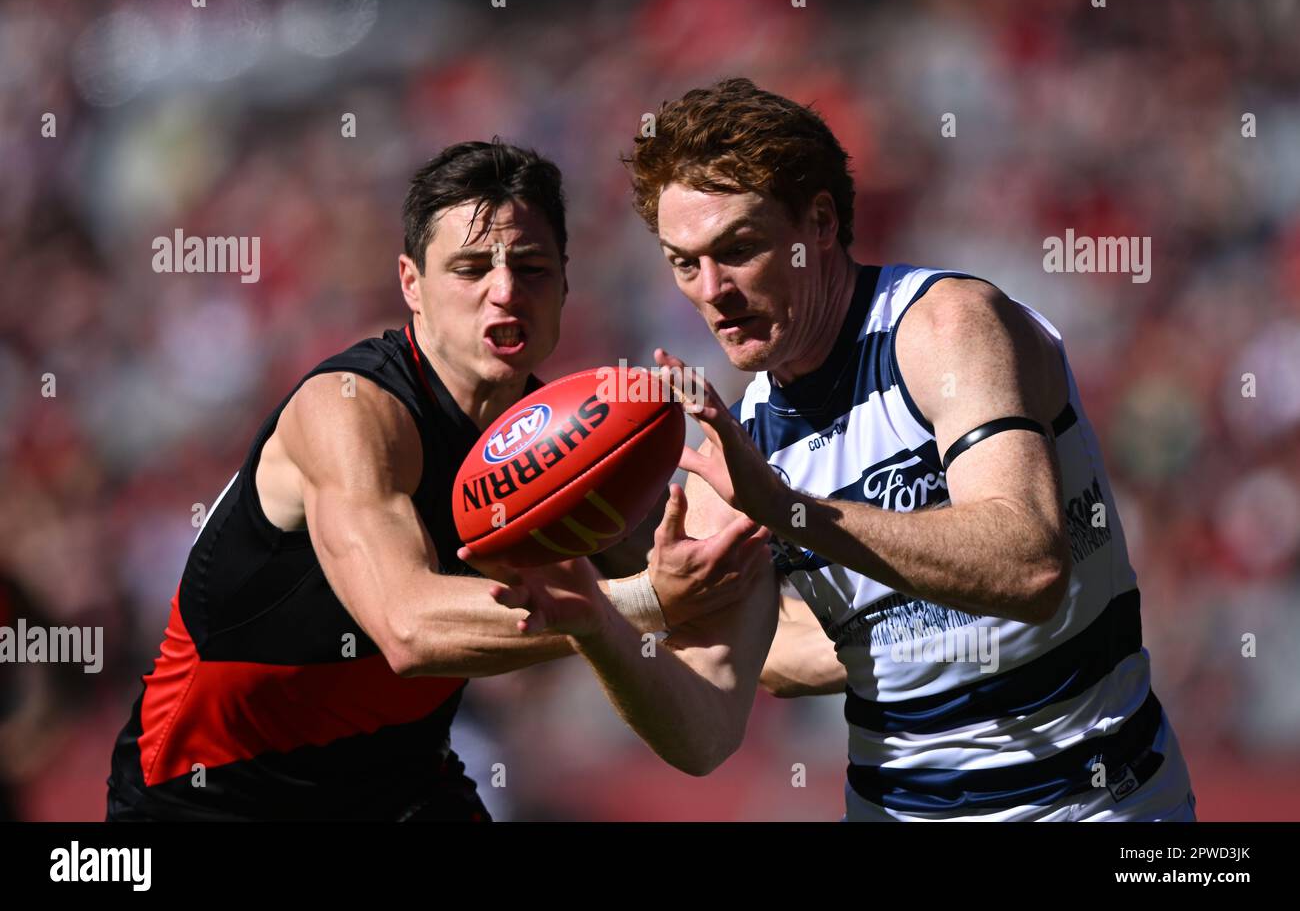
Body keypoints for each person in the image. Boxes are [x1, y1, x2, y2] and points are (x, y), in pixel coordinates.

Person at [496, 78, 1197, 821]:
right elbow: (706, 731)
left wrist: (787, 512)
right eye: (683, 262)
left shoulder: (944, 329)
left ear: (820, 223)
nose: (711, 291)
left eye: (739, 248)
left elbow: (1028, 566)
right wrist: (611, 616)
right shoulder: (737, 443)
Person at [105, 140, 768, 821]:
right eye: (470, 268)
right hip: (210, 801)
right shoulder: (349, 409)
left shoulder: (574, 448)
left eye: (533, 268)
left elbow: (702, 729)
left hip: (400, 790)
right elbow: (408, 627)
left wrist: (778, 546)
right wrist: (633, 604)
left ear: (566, 283)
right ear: (411, 283)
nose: (505, 291)